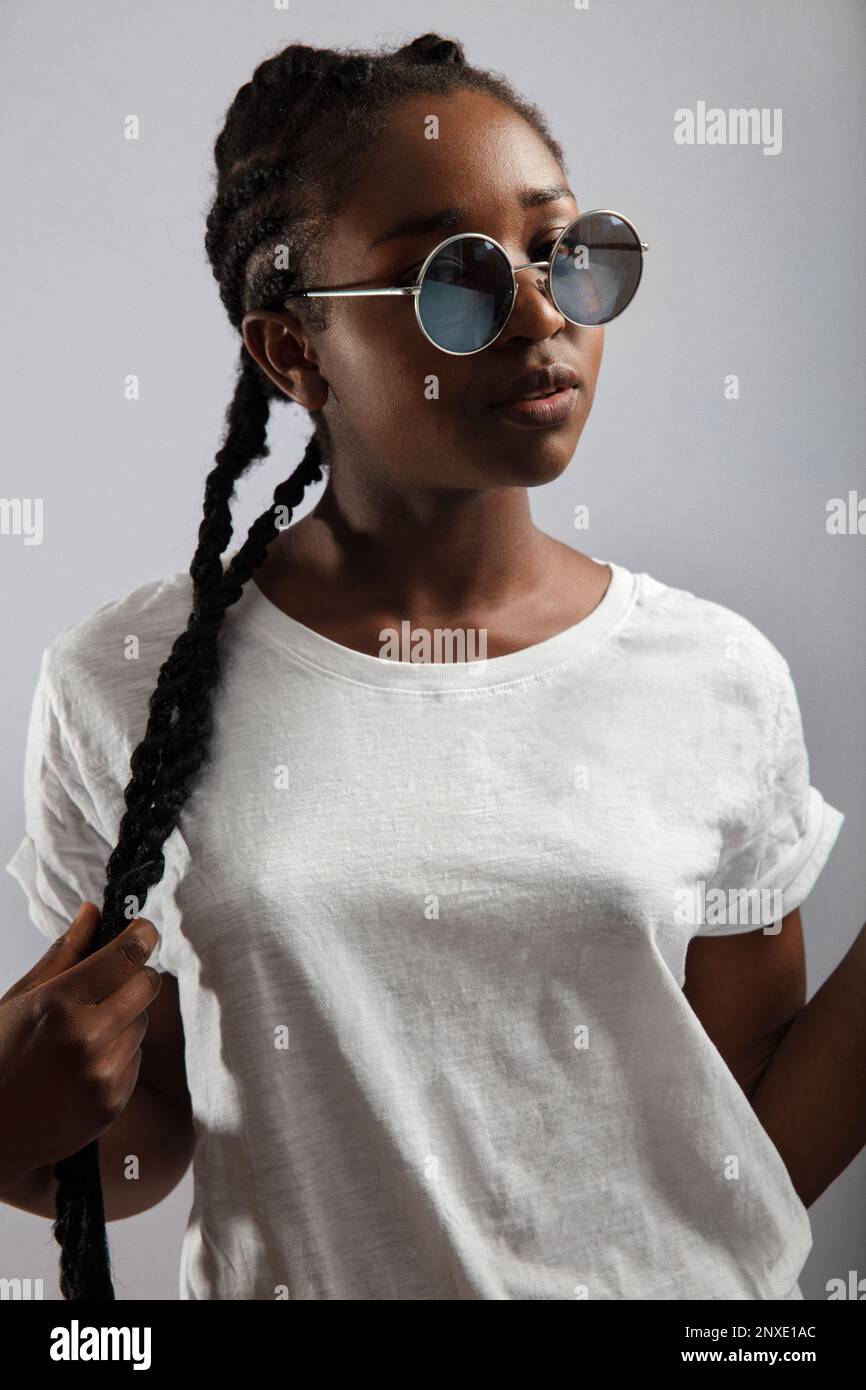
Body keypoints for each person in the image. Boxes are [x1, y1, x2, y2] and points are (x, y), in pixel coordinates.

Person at [0, 33, 854, 1301]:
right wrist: (11, 1129)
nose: (544, 312)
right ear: (294, 353)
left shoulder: (712, 674)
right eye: (454, 277)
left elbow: (738, 1152)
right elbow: (146, 1139)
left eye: (561, 250)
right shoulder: (126, 682)